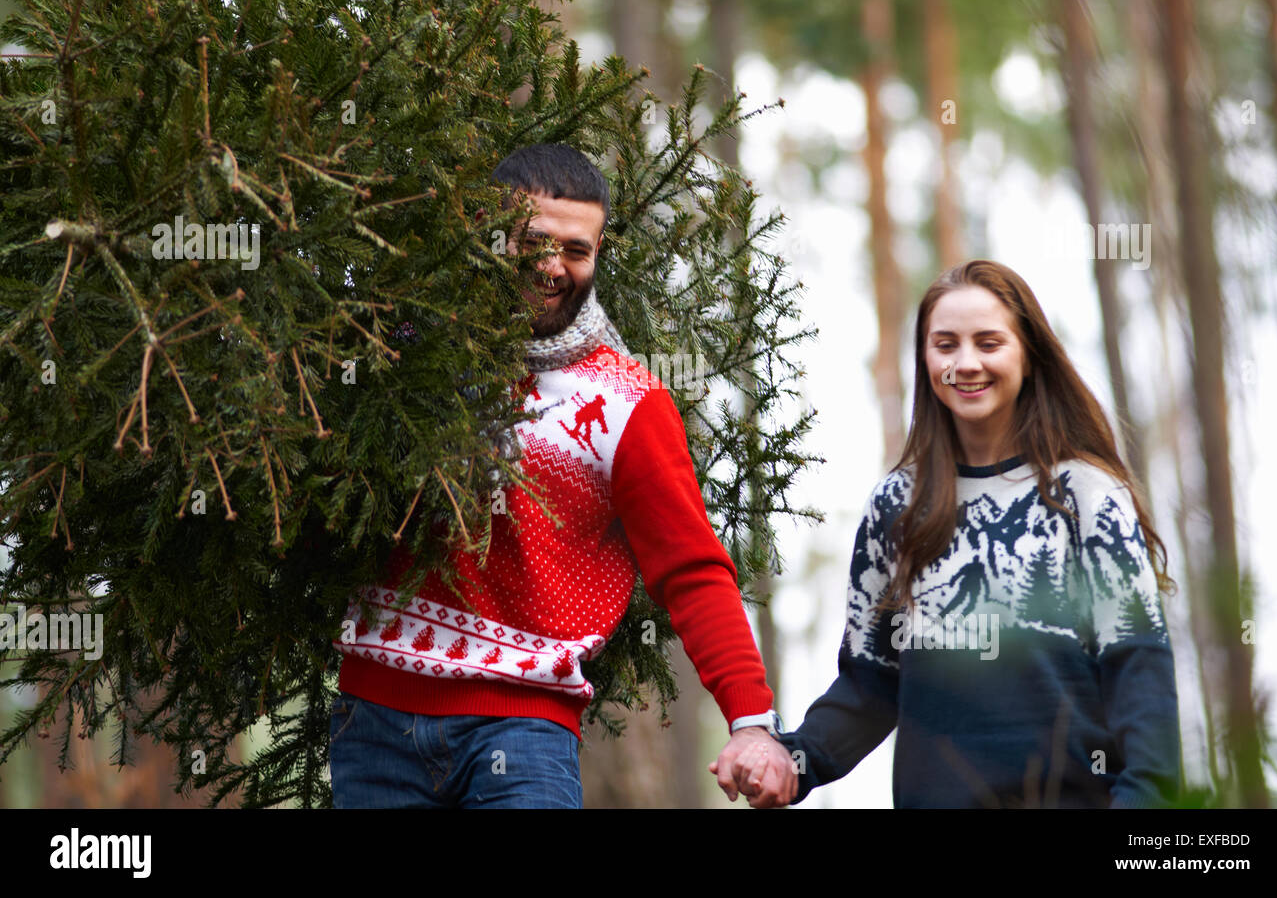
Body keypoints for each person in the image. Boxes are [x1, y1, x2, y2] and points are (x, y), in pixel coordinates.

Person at [328, 142, 796, 808]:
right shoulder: (405, 353)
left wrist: (752, 721)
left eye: (576, 251)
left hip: (522, 733)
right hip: (372, 721)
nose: (552, 267)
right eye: (532, 243)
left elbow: (692, 569)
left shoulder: (628, 402)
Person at [729, 259, 1181, 808]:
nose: (966, 363)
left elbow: (1139, 669)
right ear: (925, 358)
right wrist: (792, 761)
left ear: (1028, 355)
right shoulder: (897, 506)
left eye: (989, 343)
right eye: (946, 345)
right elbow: (870, 684)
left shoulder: (1088, 496)